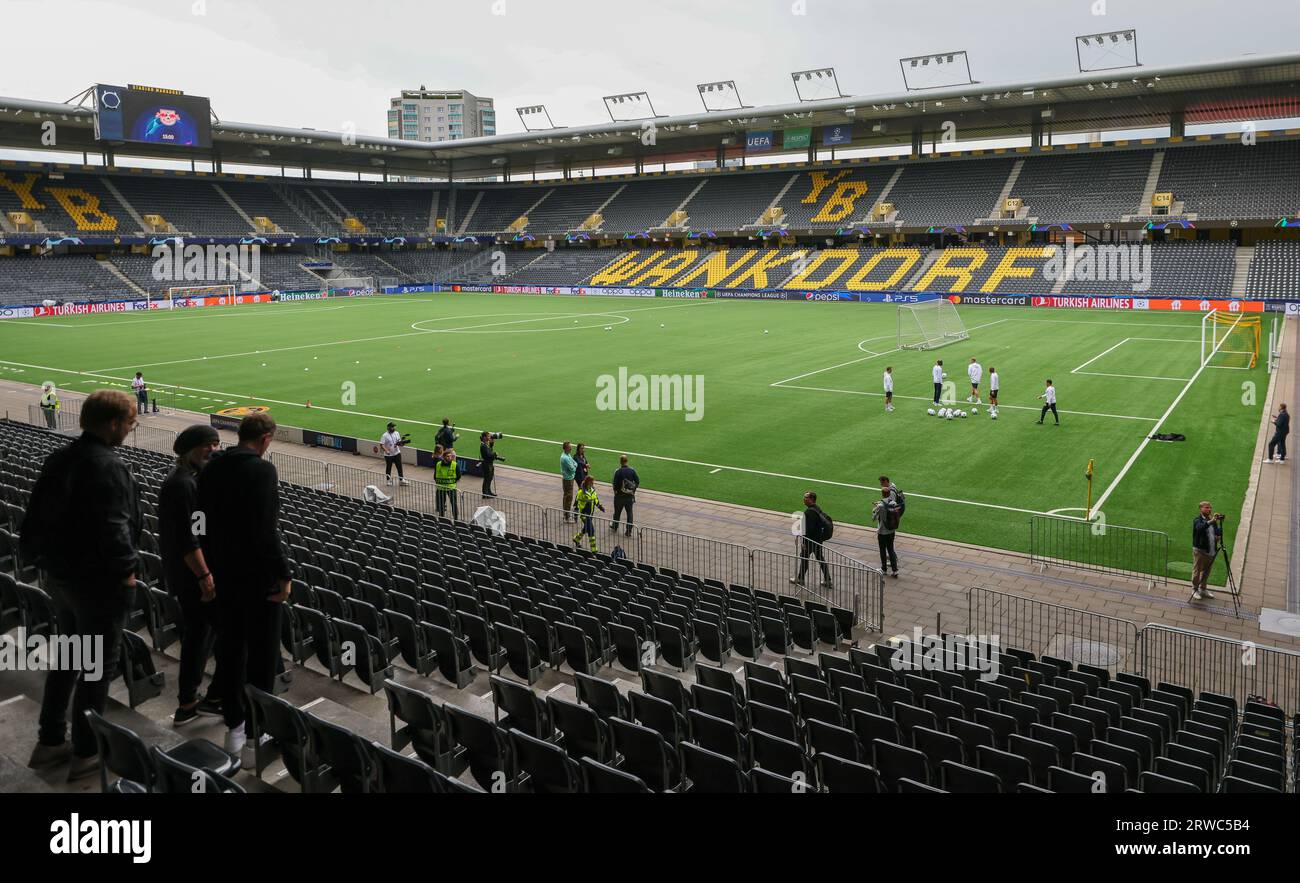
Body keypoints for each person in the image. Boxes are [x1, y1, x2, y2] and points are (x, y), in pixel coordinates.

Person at [20, 390, 141, 780]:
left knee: (70, 659)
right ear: (111, 423)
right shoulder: (107, 466)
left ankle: (51, 741)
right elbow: (114, 528)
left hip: (62, 580)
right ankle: (88, 751)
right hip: (98, 586)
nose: (132, 426)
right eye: (128, 420)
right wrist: (126, 572)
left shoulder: (61, 458)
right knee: (95, 668)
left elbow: (35, 519)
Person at [198, 412, 292, 758]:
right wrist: (283, 575)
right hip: (256, 580)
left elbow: (200, 521)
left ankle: (234, 726)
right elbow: (264, 530)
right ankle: (257, 731)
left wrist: (206, 568)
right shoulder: (262, 470)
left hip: (222, 574)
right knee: (263, 657)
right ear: (266, 439)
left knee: (231, 651)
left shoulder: (212, 467)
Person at [158, 424, 223, 726]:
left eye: (216, 444)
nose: (213, 449)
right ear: (188, 450)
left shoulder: (186, 481)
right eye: (206, 445)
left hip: (190, 576)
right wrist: (204, 575)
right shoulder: (182, 485)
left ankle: (196, 700)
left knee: (203, 635)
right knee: (207, 635)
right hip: (193, 578)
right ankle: (200, 700)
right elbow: (188, 539)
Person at [791, 491, 833, 590]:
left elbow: (808, 529)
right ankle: (828, 580)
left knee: (804, 557)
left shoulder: (809, 512)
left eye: (806, 497)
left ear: (811, 499)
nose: (804, 499)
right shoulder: (817, 508)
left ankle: (801, 579)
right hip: (818, 539)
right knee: (819, 558)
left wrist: (804, 543)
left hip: (811, 541)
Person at [1191, 501, 1222, 602]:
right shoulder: (1197, 520)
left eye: (1210, 508)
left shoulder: (1212, 520)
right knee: (1197, 571)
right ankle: (1194, 590)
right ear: (1201, 509)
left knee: (1207, 571)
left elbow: (1217, 531)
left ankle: (1203, 589)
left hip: (1211, 550)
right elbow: (1200, 528)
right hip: (1200, 551)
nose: (1209, 509)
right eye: (1206, 508)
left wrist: (1218, 534)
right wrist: (1211, 521)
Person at [872, 489, 900, 577]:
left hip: (882, 531)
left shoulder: (880, 506)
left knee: (882, 550)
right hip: (892, 531)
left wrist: (875, 508)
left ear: (882, 494)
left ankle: (884, 569)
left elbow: (873, 518)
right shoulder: (894, 503)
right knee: (891, 549)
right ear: (889, 494)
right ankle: (895, 570)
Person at [573, 475, 605, 552]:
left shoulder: (592, 490)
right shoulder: (581, 492)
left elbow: (595, 500)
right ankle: (594, 549)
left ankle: (576, 539)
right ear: (588, 482)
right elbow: (576, 502)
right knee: (591, 530)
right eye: (592, 482)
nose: (593, 483)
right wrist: (576, 514)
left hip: (590, 514)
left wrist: (600, 507)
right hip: (584, 514)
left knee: (586, 528)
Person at [610, 455, 640, 536]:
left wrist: (616, 492)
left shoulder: (617, 471)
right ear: (627, 461)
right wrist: (633, 490)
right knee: (629, 513)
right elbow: (637, 481)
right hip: (629, 497)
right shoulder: (632, 471)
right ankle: (628, 531)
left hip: (619, 496)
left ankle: (615, 526)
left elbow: (614, 484)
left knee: (617, 513)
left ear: (620, 462)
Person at [434, 447, 460, 519]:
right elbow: (435, 475)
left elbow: (459, 476)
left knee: (454, 504)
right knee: (441, 504)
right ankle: (441, 518)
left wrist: (452, 482)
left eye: (450, 456)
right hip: (440, 488)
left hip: (451, 488)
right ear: (443, 457)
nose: (449, 458)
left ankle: (456, 519)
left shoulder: (455, 465)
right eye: (448, 456)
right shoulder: (438, 464)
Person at [380, 422, 408, 486]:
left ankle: (401, 480)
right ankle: (388, 480)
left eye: (394, 427)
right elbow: (382, 445)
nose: (394, 428)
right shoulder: (384, 435)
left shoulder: (397, 433)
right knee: (389, 467)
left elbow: (398, 442)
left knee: (399, 467)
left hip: (397, 453)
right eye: (392, 427)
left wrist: (402, 443)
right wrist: (386, 450)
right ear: (388, 428)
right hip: (389, 455)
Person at [480, 431, 504, 497]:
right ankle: (485, 494)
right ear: (484, 437)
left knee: (489, 479)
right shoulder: (483, 446)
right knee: (487, 479)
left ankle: (488, 492)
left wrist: (491, 443)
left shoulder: (486, 444)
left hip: (489, 464)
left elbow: (490, 450)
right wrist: (494, 454)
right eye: (488, 436)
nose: (489, 437)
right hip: (487, 464)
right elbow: (488, 455)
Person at [560, 441, 578, 521]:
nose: (571, 448)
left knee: (566, 497)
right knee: (568, 498)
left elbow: (574, 463)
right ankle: (567, 516)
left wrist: (574, 465)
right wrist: (574, 466)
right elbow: (573, 469)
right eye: (570, 447)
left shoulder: (567, 455)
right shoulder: (565, 458)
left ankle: (566, 514)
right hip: (568, 480)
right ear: (566, 448)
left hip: (568, 478)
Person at [572, 443, 590, 516]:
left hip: (584, 475)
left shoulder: (582, 456)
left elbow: (585, 461)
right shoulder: (575, 456)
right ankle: (576, 506)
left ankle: (576, 505)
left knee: (581, 490)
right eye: (582, 448)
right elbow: (579, 463)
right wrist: (585, 465)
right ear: (578, 449)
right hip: (579, 476)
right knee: (581, 489)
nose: (583, 450)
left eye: (583, 448)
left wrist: (587, 464)